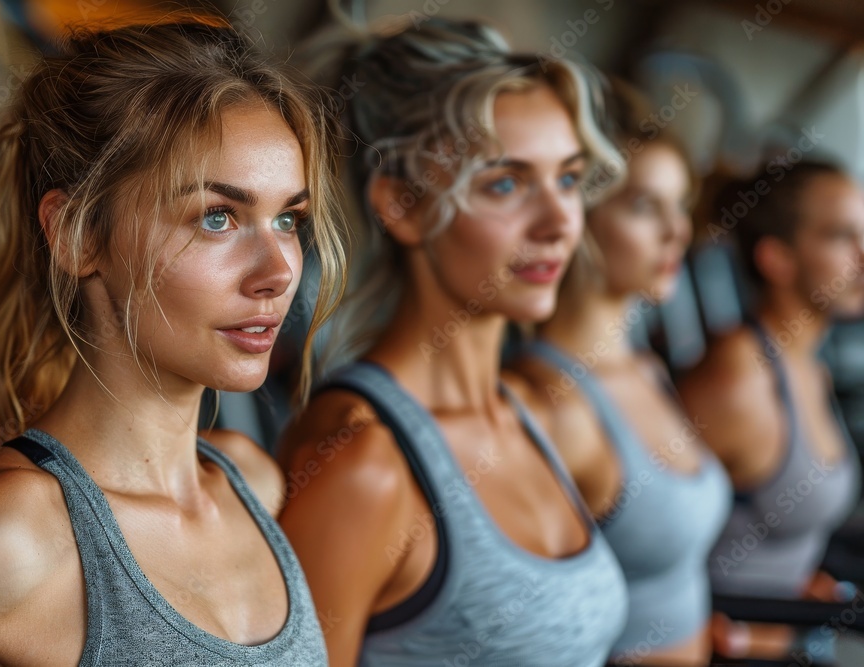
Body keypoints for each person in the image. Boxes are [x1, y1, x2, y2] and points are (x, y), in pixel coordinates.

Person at [0, 16, 346, 666]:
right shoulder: (9, 536)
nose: (279, 270)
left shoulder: (253, 485)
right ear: (78, 235)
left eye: (288, 217)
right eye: (217, 217)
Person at [277, 17, 629, 667]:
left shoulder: (533, 410)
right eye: (505, 183)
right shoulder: (364, 462)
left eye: (569, 178)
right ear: (404, 204)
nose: (558, 222)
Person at [508, 80, 732, 666]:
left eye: (681, 205)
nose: (677, 231)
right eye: (643, 205)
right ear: (578, 218)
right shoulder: (548, 400)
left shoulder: (646, 367)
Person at [678, 159, 864, 660]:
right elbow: (644, 539)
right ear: (777, 258)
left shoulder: (808, 367)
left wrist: (799, 585)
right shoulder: (739, 380)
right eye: (841, 237)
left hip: (790, 635)